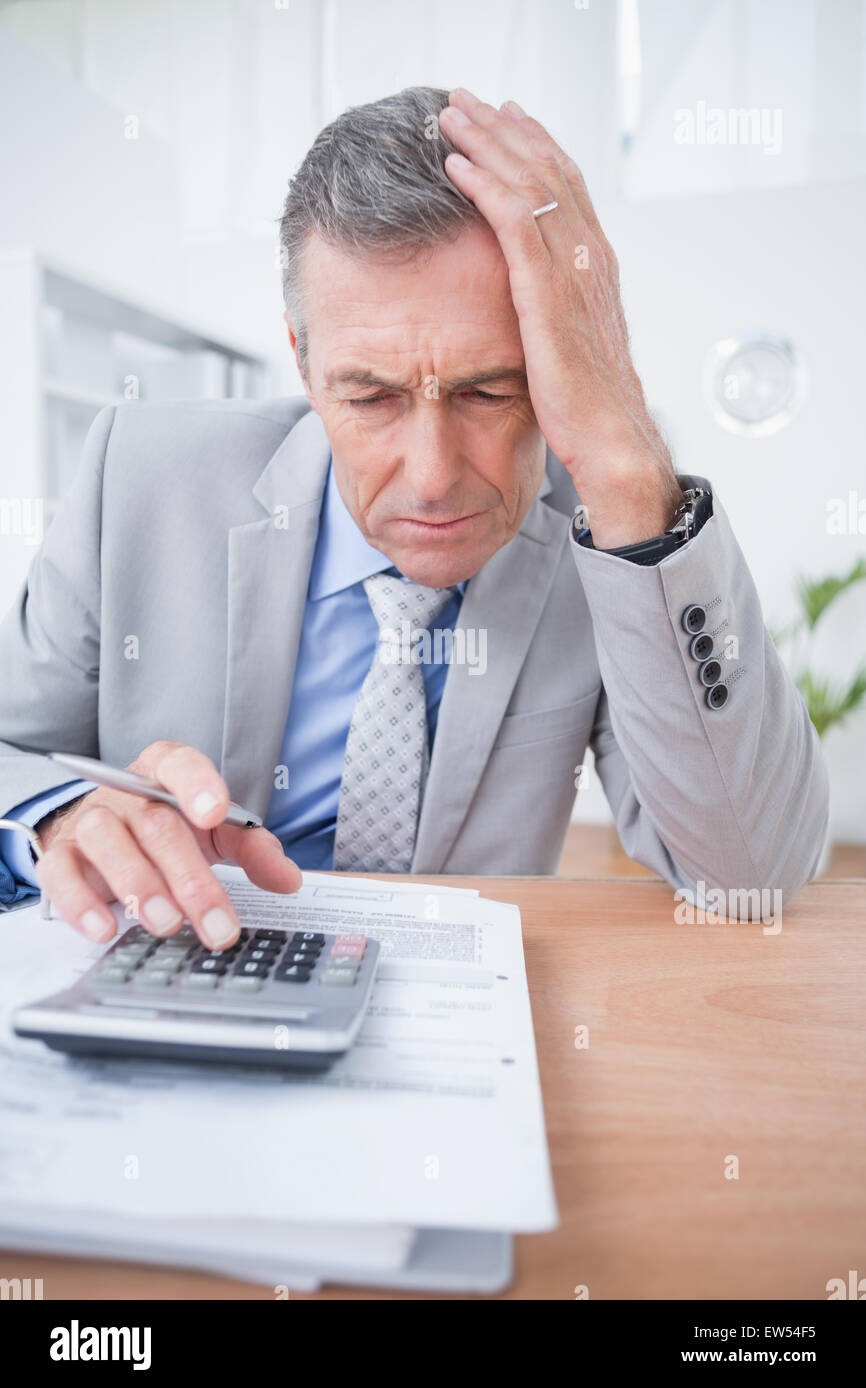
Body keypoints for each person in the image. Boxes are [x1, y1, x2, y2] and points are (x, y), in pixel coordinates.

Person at [0, 86, 828, 951]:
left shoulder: (614, 533)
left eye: (489, 391)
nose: (433, 480)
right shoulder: (138, 477)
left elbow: (751, 878)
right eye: (370, 395)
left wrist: (625, 462)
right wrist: (59, 814)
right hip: (170, 988)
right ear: (304, 363)